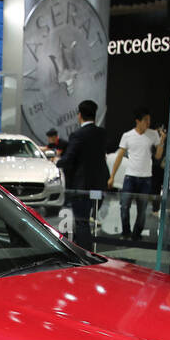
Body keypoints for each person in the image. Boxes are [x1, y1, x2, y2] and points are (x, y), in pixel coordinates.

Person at [57, 99, 107, 252]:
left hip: (82, 186)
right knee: (87, 220)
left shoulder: (78, 135)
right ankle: (84, 248)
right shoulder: (102, 133)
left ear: (80, 115)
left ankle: (85, 253)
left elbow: (69, 159)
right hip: (98, 185)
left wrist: (57, 161)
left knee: (82, 221)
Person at [107, 107, 164, 242]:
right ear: (137, 121)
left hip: (146, 178)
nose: (148, 123)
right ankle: (126, 232)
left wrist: (162, 141)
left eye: (149, 120)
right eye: (145, 120)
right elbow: (119, 157)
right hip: (130, 177)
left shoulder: (153, 135)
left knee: (142, 209)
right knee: (124, 206)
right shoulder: (127, 136)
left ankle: (136, 235)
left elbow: (158, 156)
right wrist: (112, 176)